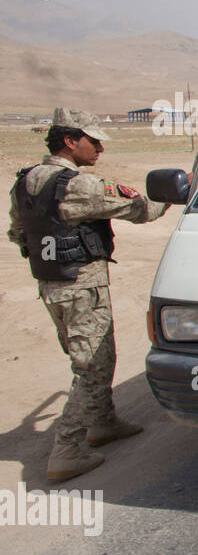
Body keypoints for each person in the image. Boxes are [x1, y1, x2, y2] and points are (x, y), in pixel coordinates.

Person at [8, 109, 172, 481]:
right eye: (92, 140)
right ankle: (67, 449)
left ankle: (102, 422)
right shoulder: (77, 185)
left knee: (87, 357)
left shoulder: (26, 181)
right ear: (70, 141)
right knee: (93, 366)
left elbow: (18, 233)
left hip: (51, 286)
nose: (99, 147)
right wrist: (180, 191)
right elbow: (143, 210)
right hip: (82, 287)